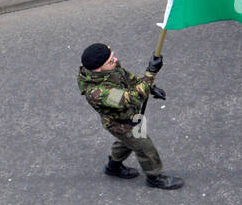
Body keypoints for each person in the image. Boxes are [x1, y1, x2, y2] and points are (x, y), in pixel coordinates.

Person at [76, 43, 183, 190]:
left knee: (126, 143)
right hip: (121, 123)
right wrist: (150, 73)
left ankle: (113, 167)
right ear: (97, 69)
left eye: (113, 55)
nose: (116, 59)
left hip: (128, 117)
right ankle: (154, 177)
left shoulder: (109, 68)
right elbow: (131, 98)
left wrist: (149, 87)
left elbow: (127, 78)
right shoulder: (98, 92)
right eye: (111, 60)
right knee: (145, 147)